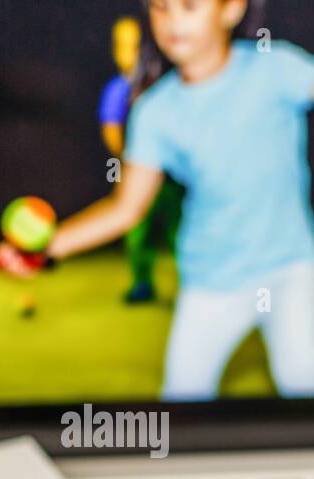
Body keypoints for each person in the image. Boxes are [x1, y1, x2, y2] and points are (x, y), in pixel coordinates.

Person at [0, 0, 314, 401]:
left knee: (308, 385)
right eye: (161, 9)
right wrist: (47, 249)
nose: (172, 22)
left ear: (231, 9)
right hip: (212, 284)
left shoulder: (276, 67)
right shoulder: (155, 111)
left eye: (189, 6)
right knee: (183, 401)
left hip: (291, 269)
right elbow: (125, 209)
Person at [97, 16, 183, 305]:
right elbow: (110, 127)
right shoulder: (119, 88)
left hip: (171, 174)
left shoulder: (162, 85)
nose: (129, 53)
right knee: (137, 230)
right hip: (137, 172)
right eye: (122, 46)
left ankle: (194, 282)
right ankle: (142, 282)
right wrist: (128, 160)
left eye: (135, 46)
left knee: (179, 228)